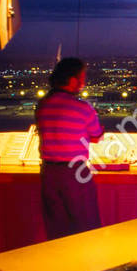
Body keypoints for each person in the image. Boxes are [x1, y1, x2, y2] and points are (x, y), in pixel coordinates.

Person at [35, 57, 104, 239]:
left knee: (57, 230)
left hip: (49, 173)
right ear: (73, 79)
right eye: (82, 77)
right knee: (85, 226)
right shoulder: (82, 108)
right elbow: (96, 136)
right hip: (75, 174)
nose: (83, 82)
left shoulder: (42, 105)